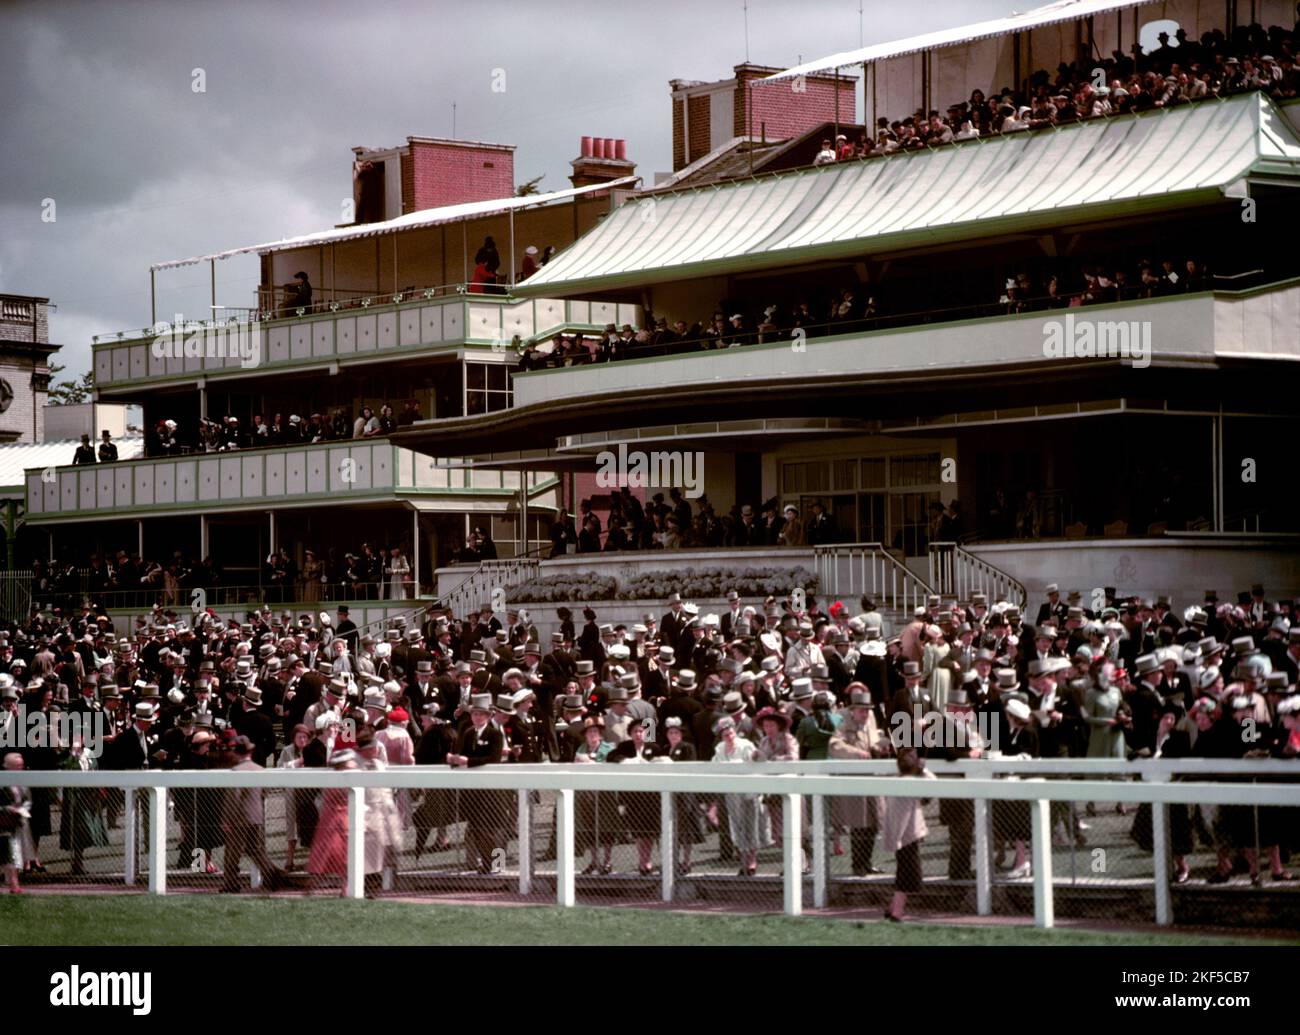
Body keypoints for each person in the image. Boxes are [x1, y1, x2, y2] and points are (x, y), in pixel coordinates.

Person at [447, 694, 505, 874]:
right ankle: (487, 864)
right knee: (477, 828)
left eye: (481, 714)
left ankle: (498, 864)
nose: (477, 717)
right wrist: (454, 759)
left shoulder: (495, 734)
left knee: (493, 828)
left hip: (491, 790)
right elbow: (462, 753)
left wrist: (469, 761)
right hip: (472, 790)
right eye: (475, 714)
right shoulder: (468, 733)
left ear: (488, 716)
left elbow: (494, 758)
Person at [220, 736, 284, 893]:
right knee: (255, 849)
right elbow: (265, 791)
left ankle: (230, 884)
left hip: (239, 818)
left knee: (232, 852)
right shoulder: (260, 769)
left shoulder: (236, 771)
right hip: (256, 816)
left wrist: (227, 820)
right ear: (250, 751)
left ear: (236, 753)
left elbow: (233, 798)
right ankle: (272, 875)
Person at [883, 747, 935, 922]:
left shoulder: (898, 780)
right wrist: (923, 770)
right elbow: (933, 783)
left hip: (901, 834)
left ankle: (893, 907)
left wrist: (920, 770)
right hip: (906, 835)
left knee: (903, 870)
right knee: (908, 873)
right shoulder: (909, 782)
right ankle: (897, 911)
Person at [712, 715, 762, 876]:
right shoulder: (720, 749)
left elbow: (755, 766)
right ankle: (743, 861)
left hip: (748, 791)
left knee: (750, 825)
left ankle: (752, 861)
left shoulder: (746, 745)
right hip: (731, 792)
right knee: (736, 825)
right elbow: (714, 767)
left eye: (731, 732)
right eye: (725, 734)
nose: (729, 736)